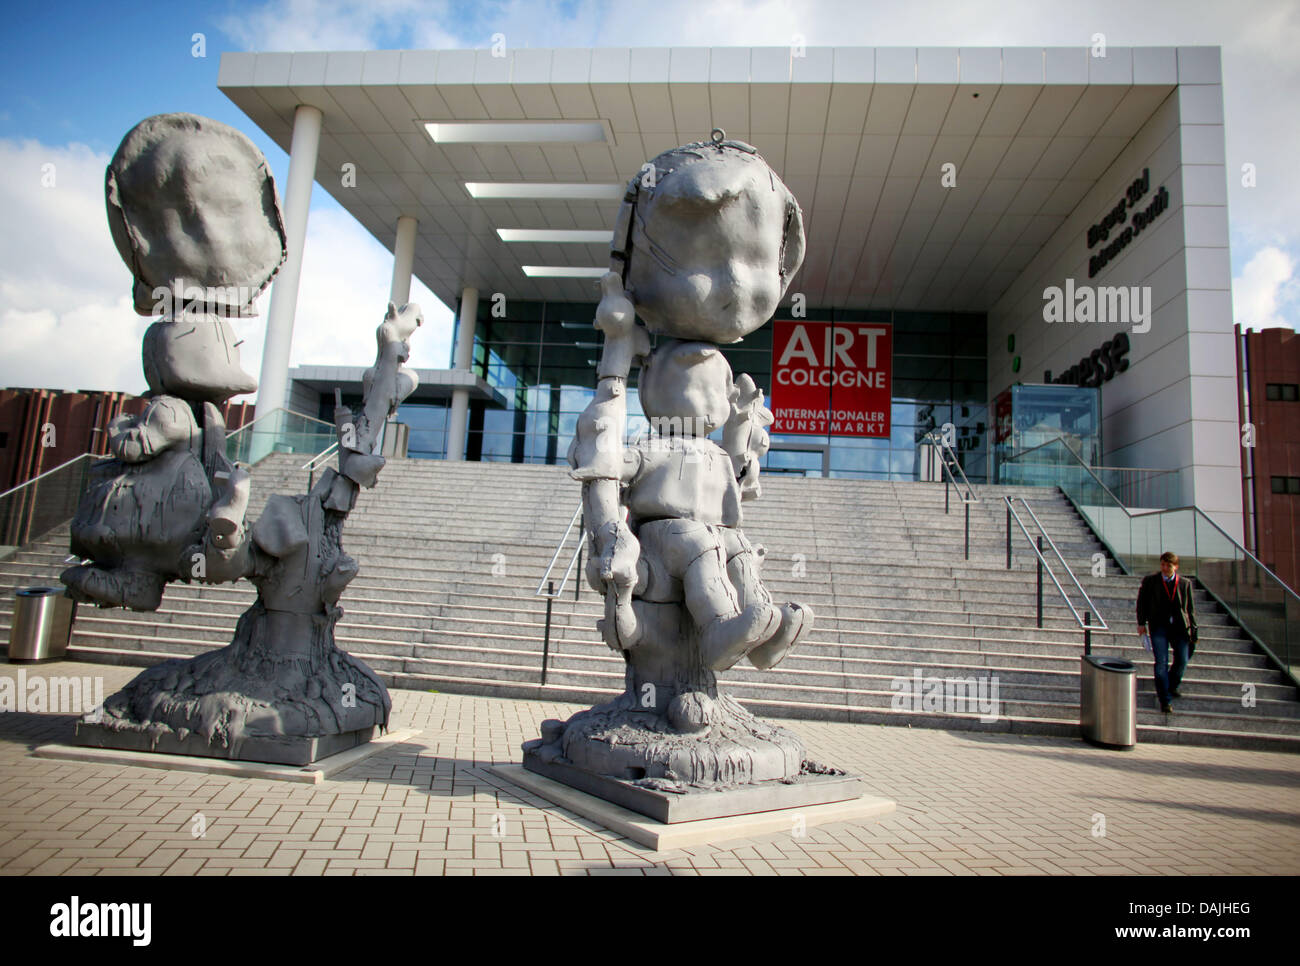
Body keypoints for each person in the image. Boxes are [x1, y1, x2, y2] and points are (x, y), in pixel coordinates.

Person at [1136, 551, 1198, 713]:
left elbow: (1190, 609)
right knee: (1161, 662)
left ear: (1175, 567)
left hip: (1179, 627)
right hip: (1159, 626)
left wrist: (1194, 630)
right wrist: (1141, 623)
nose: (1164, 568)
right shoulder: (1151, 581)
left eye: (1168, 566)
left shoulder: (1184, 583)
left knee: (1182, 660)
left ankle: (1171, 684)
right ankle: (1165, 699)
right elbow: (1141, 603)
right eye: (1163, 565)